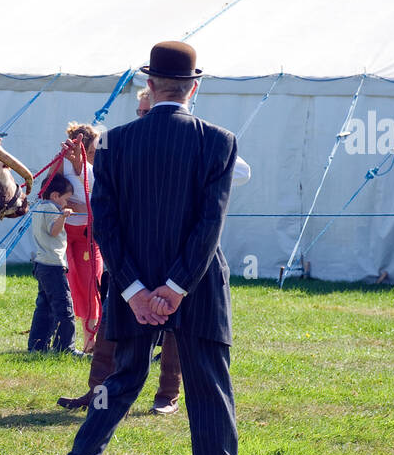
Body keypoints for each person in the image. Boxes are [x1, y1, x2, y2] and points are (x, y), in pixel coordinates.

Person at [48, 40, 254, 455]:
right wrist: (175, 288)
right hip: (198, 287)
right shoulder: (219, 142)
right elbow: (210, 226)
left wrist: (137, 290)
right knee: (210, 389)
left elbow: (108, 225)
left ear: (150, 85)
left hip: (131, 282)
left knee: (119, 383)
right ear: (193, 87)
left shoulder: (115, 142)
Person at [57, 85, 252, 417]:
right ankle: (98, 393)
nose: (147, 119)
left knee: (175, 324)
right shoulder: (129, 141)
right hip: (133, 253)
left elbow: (242, 171)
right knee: (109, 327)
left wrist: (188, 168)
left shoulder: (204, 141)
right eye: (142, 114)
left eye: (149, 112)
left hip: (180, 254)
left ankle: (167, 394)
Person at [59, 122, 104, 351]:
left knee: (90, 284)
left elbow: (104, 203)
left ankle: (90, 341)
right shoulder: (61, 164)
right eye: (92, 151)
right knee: (67, 283)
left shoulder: (97, 171)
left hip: (89, 233)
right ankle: (65, 339)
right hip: (64, 231)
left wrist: (79, 207)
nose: (95, 155)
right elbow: (49, 193)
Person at [28, 175, 80, 353]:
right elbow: (53, 231)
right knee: (64, 308)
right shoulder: (51, 208)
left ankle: (37, 345)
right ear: (55, 196)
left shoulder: (39, 207)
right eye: (66, 199)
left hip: (42, 264)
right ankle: (65, 347)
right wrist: (63, 217)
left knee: (44, 307)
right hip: (53, 265)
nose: (66, 204)